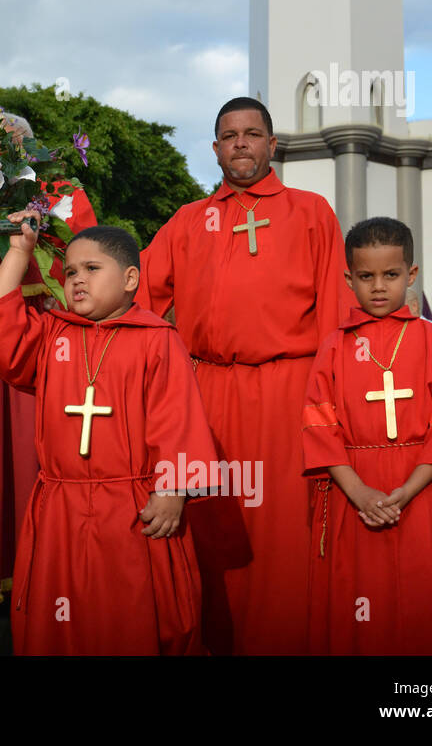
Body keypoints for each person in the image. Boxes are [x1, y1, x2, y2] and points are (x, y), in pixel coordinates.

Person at [134, 97, 351, 654]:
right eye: (229, 135)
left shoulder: (311, 212)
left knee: (282, 535)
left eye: (252, 134)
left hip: (288, 391)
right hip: (206, 393)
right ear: (215, 149)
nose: (241, 144)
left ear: (272, 145)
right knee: (211, 528)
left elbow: (332, 314)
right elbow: (133, 296)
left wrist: (329, 404)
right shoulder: (187, 222)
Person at [0, 215, 218, 654]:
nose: (77, 281)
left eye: (92, 269)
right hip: (61, 505)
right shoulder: (53, 335)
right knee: (59, 624)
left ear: (130, 279)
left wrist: (174, 488)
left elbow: (177, 418)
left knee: (129, 618)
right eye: (71, 273)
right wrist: (20, 252)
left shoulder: (156, 339)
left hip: (131, 505)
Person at [302, 218, 432, 654]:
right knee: (360, 605)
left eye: (391, 275)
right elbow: (319, 425)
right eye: (366, 277)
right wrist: (360, 492)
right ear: (349, 278)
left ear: (412, 275)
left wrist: (404, 492)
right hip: (354, 487)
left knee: (425, 602)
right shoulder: (334, 346)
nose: (378, 287)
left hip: (422, 489)